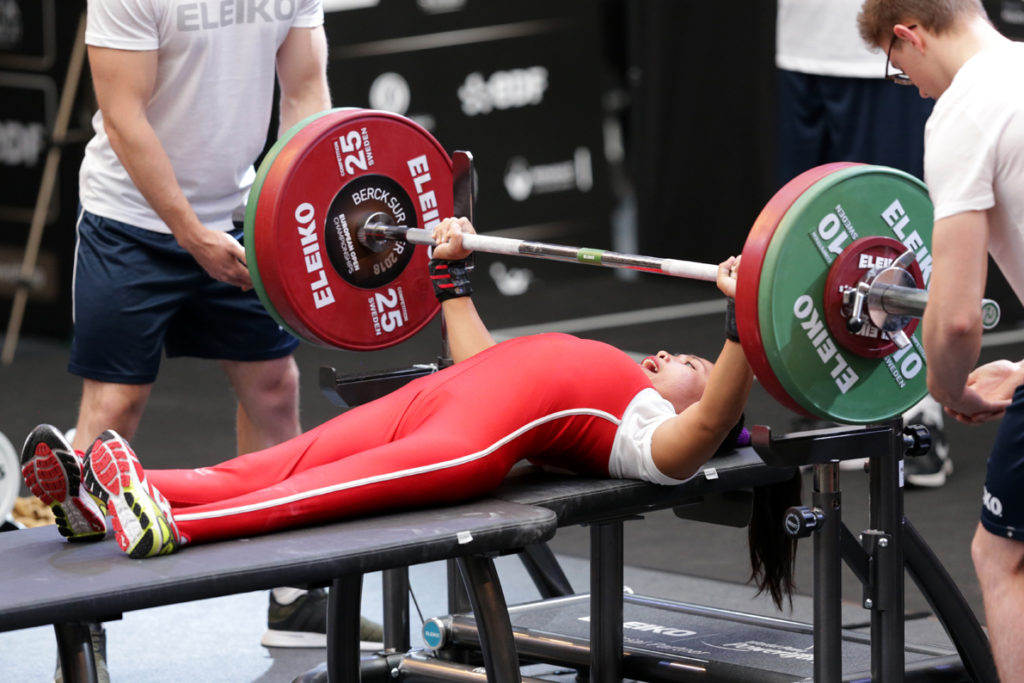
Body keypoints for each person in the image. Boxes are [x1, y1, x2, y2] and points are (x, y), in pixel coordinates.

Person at [22, 217, 798, 608]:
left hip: (465, 442)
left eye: (691, 363)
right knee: (263, 465)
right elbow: (485, 359)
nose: (665, 353)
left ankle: (172, 527)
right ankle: (97, 490)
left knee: (300, 497)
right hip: (444, 395)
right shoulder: (629, 382)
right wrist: (450, 273)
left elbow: (708, 423)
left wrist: (739, 320)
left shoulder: (653, 440)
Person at [54, 0, 345, 657]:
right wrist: (190, 233)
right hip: (128, 219)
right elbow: (123, 116)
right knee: (114, 407)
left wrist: (284, 205)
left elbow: (305, 90)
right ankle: (80, 621)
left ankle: (291, 594)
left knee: (274, 389)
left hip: (239, 212)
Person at [858, 1, 1024, 679]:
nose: (916, 88)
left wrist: (945, 389)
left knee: (1003, 556)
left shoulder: (963, 113)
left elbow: (955, 319)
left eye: (899, 68)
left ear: (909, 36)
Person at [776, 0, 951, 488]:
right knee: (808, 230)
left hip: (892, 40)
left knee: (897, 224)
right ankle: (834, 399)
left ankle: (918, 411)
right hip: (801, 43)